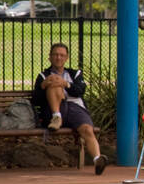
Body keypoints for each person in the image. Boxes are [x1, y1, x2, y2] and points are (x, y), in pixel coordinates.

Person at [30, 42, 108, 175]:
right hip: (53, 110)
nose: (58, 58)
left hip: (75, 108)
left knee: (87, 130)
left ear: (66, 58)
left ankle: (97, 160)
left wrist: (66, 84)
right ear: (49, 57)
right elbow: (36, 100)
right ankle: (57, 116)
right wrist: (43, 85)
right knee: (54, 81)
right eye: (55, 55)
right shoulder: (43, 75)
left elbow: (80, 91)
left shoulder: (75, 73)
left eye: (62, 55)